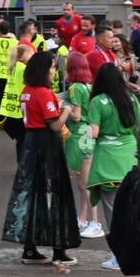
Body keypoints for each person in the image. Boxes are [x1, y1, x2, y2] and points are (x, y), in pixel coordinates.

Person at [0, 51, 79, 267]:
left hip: (31, 142)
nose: (54, 71)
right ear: (44, 69)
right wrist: (66, 110)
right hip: (46, 144)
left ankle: (30, 247)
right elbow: (54, 124)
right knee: (55, 194)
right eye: (52, 67)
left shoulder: (26, 90)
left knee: (33, 193)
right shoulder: (44, 93)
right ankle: (59, 249)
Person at [84, 63, 140, 270]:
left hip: (107, 161)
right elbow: (139, 128)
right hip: (130, 158)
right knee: (133, 211)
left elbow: (94, 132)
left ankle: (119, 256)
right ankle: (135, 252)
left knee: (113, 213)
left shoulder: (98, 102)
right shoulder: (132, 99)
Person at [63, 52, 100, 239]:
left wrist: (64, 107)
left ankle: (95, 221)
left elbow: (76, 115)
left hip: (78, 135)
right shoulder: (88, 86)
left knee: (84, 183)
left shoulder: (75, 87)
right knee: (83, 183)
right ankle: (83, 218)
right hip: (88, 134)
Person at [0, 43, 34, 165]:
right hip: (21, 110)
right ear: (23, 55)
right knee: (25, 140)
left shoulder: (13, 67)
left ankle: (21, 164)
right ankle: (23, 165)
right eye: (30, 53)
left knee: (20, 140)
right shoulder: (23, 69)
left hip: (11, 109)